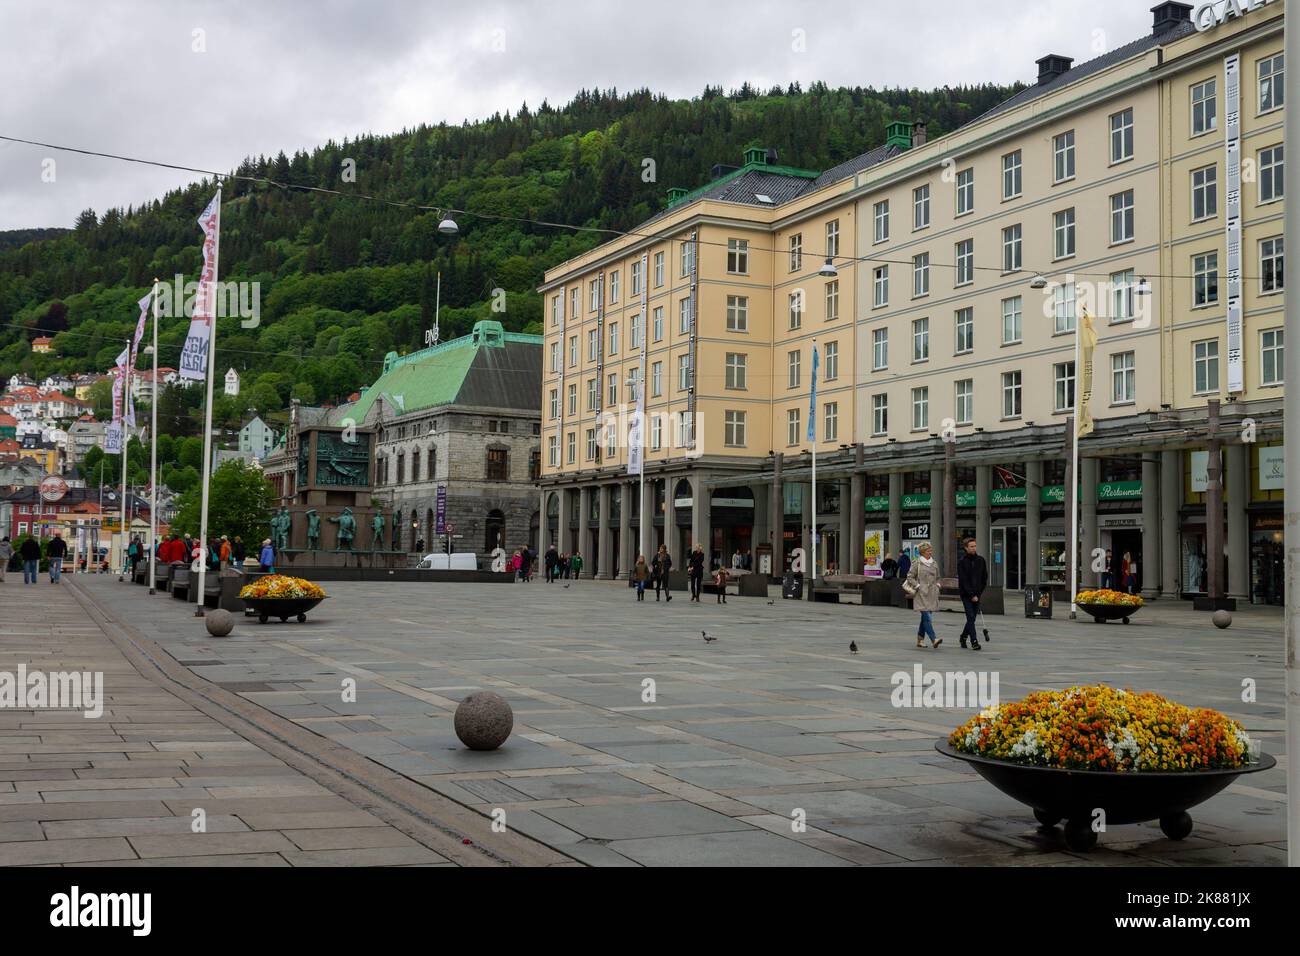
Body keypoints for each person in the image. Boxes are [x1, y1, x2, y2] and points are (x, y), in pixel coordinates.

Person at [903, 542, 942, 649]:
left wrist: (938, 585)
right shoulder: (917, 563)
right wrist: (918, 586)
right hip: (921, 594)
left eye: (931, 550)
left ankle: (920, 640)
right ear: (923, 552)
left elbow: (938, 577)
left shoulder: (934, 563)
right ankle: (934, 639)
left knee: (925, 619)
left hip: (932, 594)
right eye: (928, 550)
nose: (930, 552)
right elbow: (910, 577)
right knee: (927, 617)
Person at [957, 537, 987, 651]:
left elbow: (984, 577)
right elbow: (964, 580)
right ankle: (974, 641)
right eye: (971, 546)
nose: (974, 548)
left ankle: (963, 637)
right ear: (966, 548)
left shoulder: (981, 560)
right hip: (966, 594)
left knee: (972, 619)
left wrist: (978, 593)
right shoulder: (962, 562)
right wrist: (971, 595)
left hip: (977, 593)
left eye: (975, 546)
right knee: (970, 616)